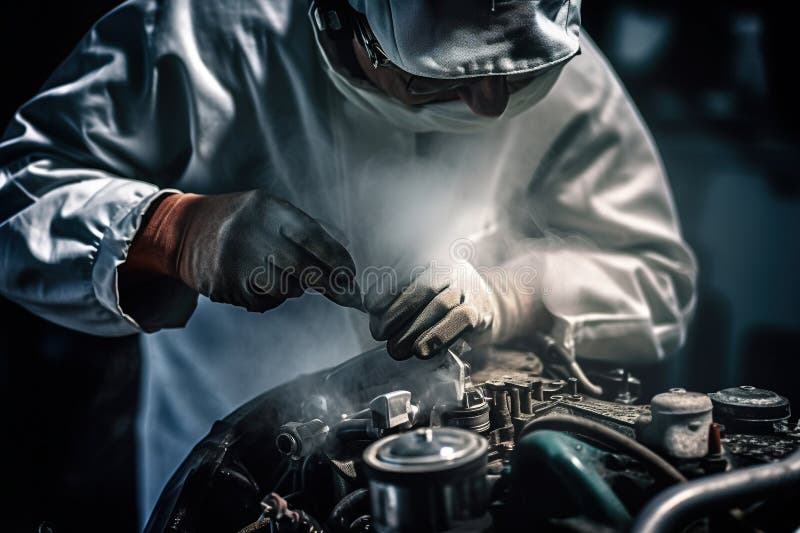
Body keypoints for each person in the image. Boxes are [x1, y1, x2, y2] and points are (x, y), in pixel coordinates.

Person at [0, 0, 696, 526]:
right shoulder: (207, 32)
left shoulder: (546, 44)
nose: (491, 102)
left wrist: (521, 288)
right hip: (235, 482)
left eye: (521, 76)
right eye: (441, 77)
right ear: (344, 21)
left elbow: (657, 278)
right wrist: (174, 230)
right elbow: (20, 193)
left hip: (465, 477)